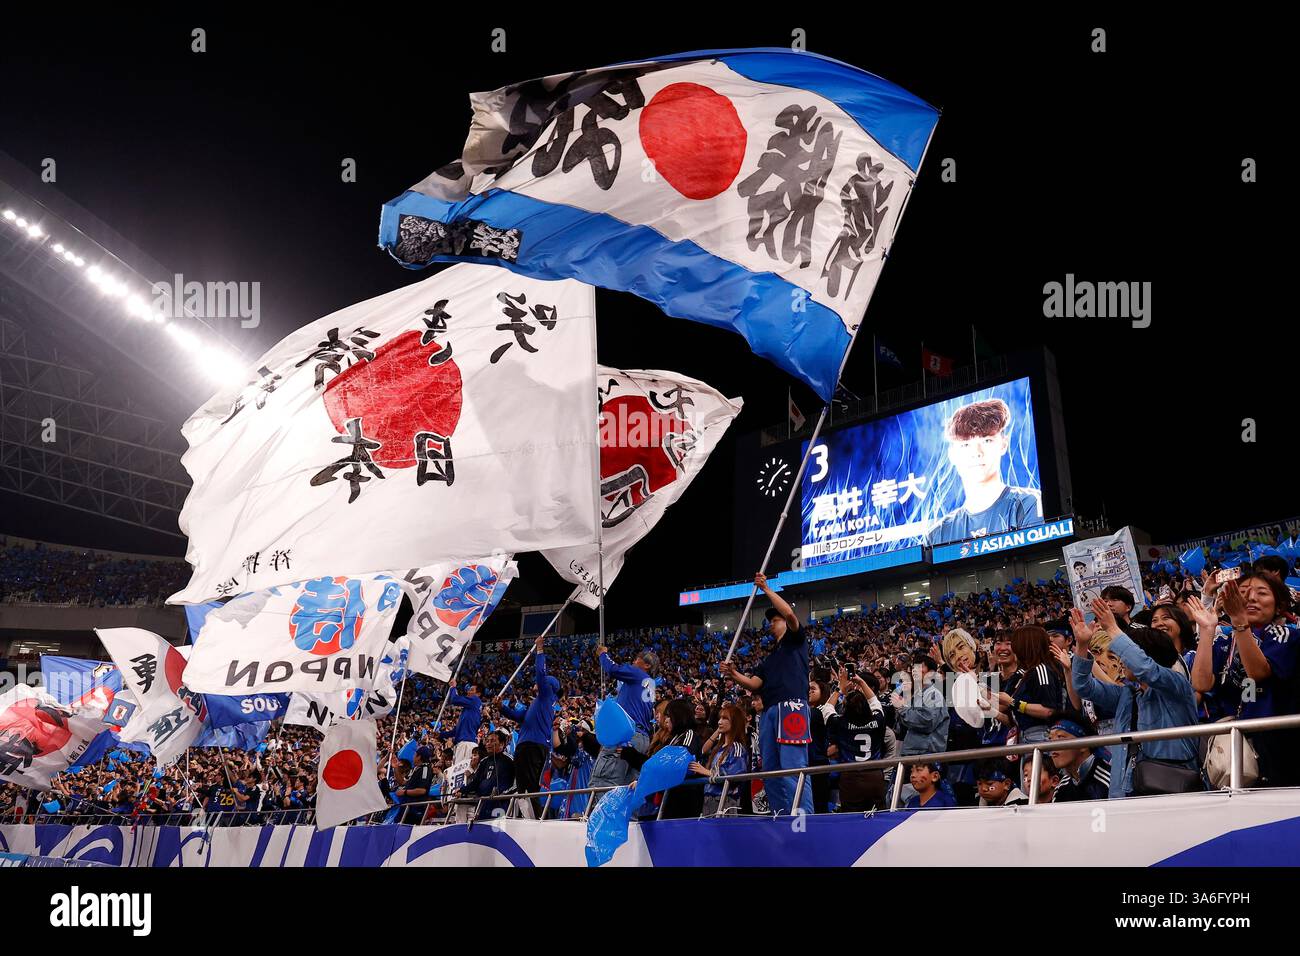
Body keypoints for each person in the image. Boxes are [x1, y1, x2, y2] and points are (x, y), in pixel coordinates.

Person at [1069, 600, 1201, 798]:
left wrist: (1112, 628)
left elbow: (1145, 668)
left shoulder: (1176, 685)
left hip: (1173, 791)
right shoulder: (1127, 694)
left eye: (1126, 654)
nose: (1122, 661)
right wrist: (1082, 646)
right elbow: (1083, 687)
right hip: (1124, 791)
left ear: (1148, 655)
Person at [720, 572, 814, 816]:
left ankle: (802, 818)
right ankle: (781, 813)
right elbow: (753, 683)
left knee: (794, 765)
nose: (771, 623)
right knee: (770, 767)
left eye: (775, 619)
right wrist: (733, 673)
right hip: (770, 710)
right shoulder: (770, 658)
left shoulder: (796, 640)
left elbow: (792, 615)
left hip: (792, 706)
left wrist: (766, 588)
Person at [1190, 577, 1299, 786]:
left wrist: (1240, 622)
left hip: (1277, 745)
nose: (1251, 598)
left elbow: (1258, 672)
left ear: (1279, 605)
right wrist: (1206, 631)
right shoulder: (1225, 641)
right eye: (1243, 592)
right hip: (1234, 745)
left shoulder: (1285, 635)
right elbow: (1201, 684)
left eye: (1262, 593)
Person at [924, 397, 1043, 546]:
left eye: (987, 441)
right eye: (966, 444)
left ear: (1003, 444)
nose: (977, 453)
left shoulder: (1030, 504)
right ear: (952, 454)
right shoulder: (938, 534)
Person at [588, 644, 659, 803]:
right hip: (642, 739)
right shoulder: (651, 685)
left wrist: (602, 655)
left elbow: (613, 669)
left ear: (647, 665)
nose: (633, 662)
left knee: (604, 784)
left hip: (625, 734)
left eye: (637, 660)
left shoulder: (638, 674)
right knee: (629, 791)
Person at [499, 636, 561, 816]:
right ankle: (527, 818)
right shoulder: (537, 703)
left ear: (548, 685)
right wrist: (500, 707)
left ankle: (534, 821)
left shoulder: (546, 696)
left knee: (529, 788)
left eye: (542, 682)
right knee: (524, 787)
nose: (537, 683)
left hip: (532, 746)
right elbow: (518, 717)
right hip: (528, 746)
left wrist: (540, 649)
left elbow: (541, 675)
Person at [828, 667, 888, 811]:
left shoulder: (840, 723)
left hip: (850, 777)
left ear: (845, 708)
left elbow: (827, 708)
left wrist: (840, 688)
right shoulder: (878, 720)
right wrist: (861, 682)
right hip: (874, 776)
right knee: (878, 817)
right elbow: (875, 702)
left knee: (852, 818)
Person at [694, 702, 749, 816]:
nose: (719, 722)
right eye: (720, 718)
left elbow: (735, 775)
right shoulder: (718, 748)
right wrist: (717, 731)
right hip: (709, 798)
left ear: (734, 722)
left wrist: (707, 772)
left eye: (725, 718)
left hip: (725, 800)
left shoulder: (737, 747)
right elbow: (703, 750)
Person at [1047, 719, 1111, 801]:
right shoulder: (1062, 786)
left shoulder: (1107, 780)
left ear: (1083, 745)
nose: (1051, 746)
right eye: (1050, 739)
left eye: (1060, 737)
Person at [446, 683, 484, 765]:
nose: (468, 692)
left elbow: (454, 699)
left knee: (460, 775)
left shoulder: (475, 700)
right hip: (464, 744)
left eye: (471, 690)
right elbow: (455, 732)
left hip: (466, 744)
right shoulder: (469, 710)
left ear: (478, 694)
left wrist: (453, 687)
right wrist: (440, 735)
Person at [397, 745, 436, 824]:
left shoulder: (425, 769)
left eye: (415, 754)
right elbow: (403, 782)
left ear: (419, 757)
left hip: (414, 810)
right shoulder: (417, 768)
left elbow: (422, 790)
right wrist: (395, 767)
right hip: (407, 808)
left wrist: (404, 792)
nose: (413, 756)